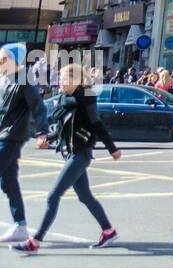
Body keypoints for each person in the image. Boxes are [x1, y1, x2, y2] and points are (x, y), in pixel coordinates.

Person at [12, 63, 121, 255]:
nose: (60, 82)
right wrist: (49, 139)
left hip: (81, 154)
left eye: (64, 78)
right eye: (60, 78)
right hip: (70, 153)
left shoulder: (86, 98)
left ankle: (35, 241)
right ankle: (109, 231)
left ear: (77, 80)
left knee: (53, 196)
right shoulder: (64, 99)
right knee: (85, 197)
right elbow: (63, 128)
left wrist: (112, 149)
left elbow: (97, 125)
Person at [0, 43, 44, 244]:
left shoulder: (24, 81)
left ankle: (20, 226)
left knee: (8, 182)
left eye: (3, 59)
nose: (0, 63)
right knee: (8, 182)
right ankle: (20, 226)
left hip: (11, 137)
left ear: (16, 61)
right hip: (2, 135)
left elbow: (39, 108)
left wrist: (43, 132)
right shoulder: (3, 80)